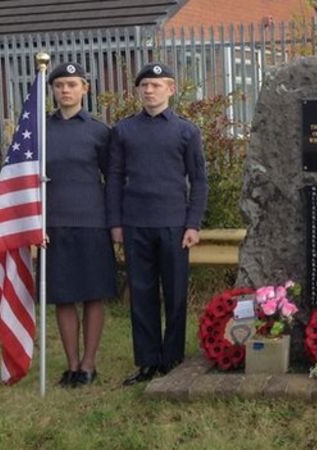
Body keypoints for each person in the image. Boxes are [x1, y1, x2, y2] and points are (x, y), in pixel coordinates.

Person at [106, 63, 208, 386]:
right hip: (136, 224)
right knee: (142, 293)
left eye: (156, 85)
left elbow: (200, 181)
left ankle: (173, 359)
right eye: (144, 85)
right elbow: (114, 179)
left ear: (171, 89)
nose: (149, 90)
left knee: (176, 294)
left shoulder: (186, 131)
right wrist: (116, 223)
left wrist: (193, 223)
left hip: (175, 226)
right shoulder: (123, 131)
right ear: (138, 91)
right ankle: (148, 361)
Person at [45, 62, 117, 387]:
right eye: (60, 85)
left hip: (92, 223)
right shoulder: (41, 131)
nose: (65, 91)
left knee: (93, 295)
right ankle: (71, 365)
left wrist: (114, 223)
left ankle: (89, 364)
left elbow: (112, 179)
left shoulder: (100, 131)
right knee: (63, 296)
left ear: (85, 89)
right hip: (54, 225)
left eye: (72, 85)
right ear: (53, 91)